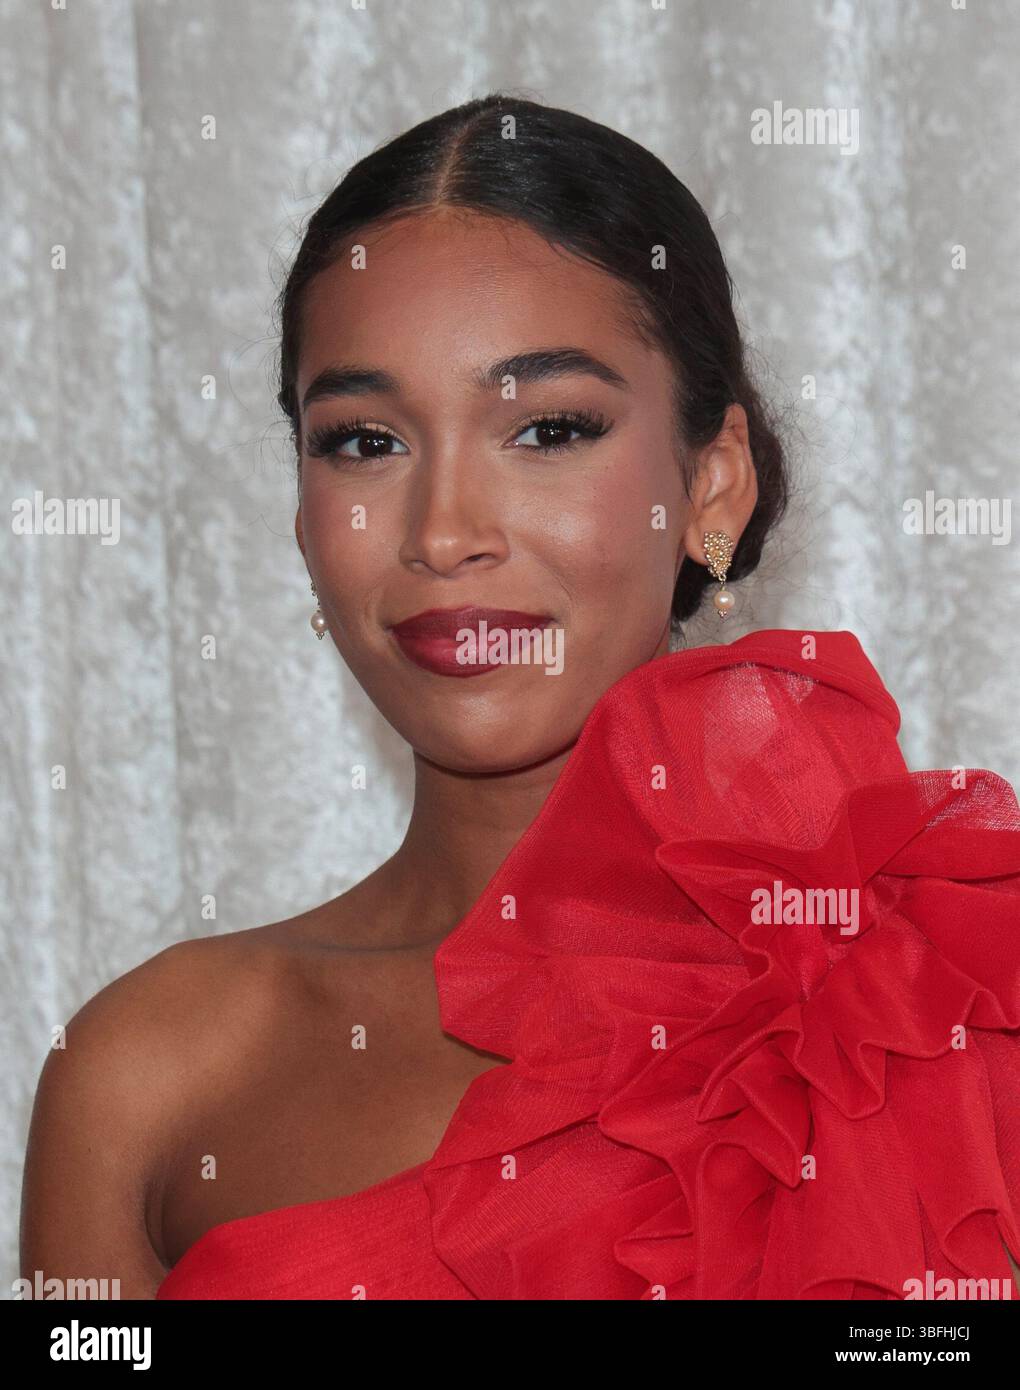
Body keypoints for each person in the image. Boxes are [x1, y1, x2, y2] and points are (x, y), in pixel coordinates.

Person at [20, 93, 1020, 1301]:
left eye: (547, 428)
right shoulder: (148, 1070)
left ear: (713, 486)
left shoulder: (949, 989)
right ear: (299, 513)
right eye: (364, 442)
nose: (442, 533)